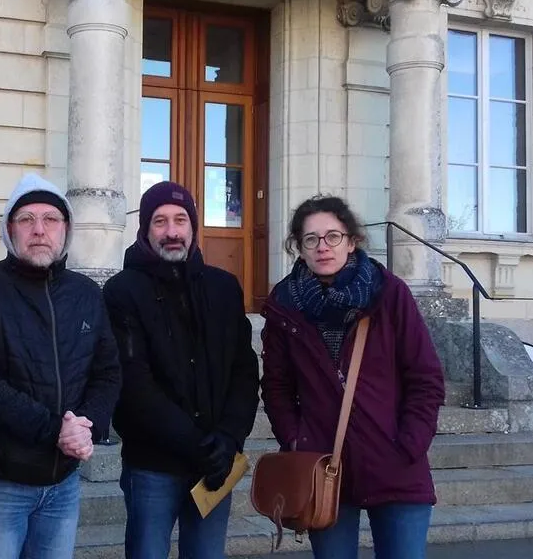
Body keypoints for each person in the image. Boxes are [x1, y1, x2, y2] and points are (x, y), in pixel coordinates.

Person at [260, 195, 445, 559]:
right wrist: (297, 441)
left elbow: (425, 376)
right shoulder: (285, 304)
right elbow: (277, 386)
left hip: (395, 465)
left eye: (332, 236)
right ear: (299, 247)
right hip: (323, 468)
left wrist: (410, 442)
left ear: (352, 240)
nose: (322, 247)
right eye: (310, 239)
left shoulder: (389, 294)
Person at [0, 173, 121, 559]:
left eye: (51, 219)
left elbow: (107, 371)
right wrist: (56, 430)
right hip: (2, 482)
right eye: (26, 219)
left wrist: (87, 428)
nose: (39, 230)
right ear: (9, 230)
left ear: (66, 230)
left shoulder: (85, 293)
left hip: (63, 483)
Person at [102, 181, 260, 559]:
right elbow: (133, 384)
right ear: (145, 229)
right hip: (153, 465)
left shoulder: (224, 287)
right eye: (160, 221)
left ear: (193, 226)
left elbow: (243, 369)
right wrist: (194, 443)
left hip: (215, 464)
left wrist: (228, 437)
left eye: (180, 220)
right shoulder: (121, 291)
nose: (172, 231)